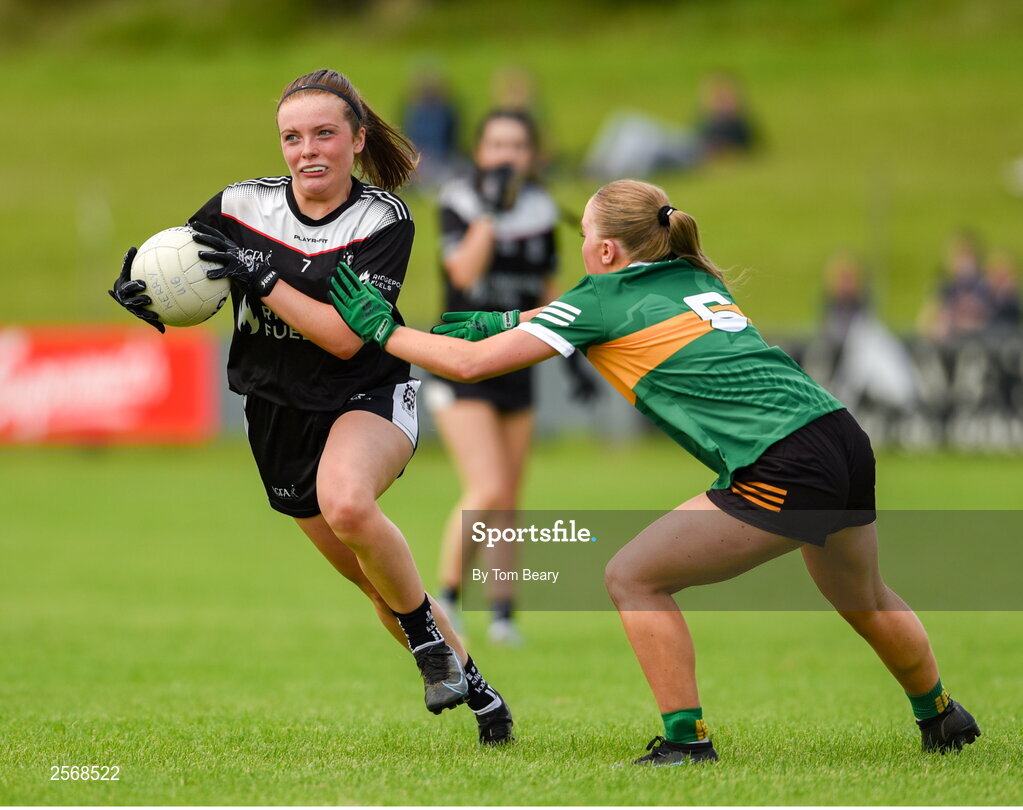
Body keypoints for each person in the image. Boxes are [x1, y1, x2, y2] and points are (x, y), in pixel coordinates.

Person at [328, 178, 980, 765]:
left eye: (585, 236)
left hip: (782, 461)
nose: (582, 247)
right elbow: (583, 320)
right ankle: (942, 715)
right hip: (838, 436)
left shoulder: (600, 296)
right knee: (861, 597)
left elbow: (470, 366)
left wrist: (383, 330)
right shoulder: (691, 277)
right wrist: (506, 320)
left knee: (632, 576)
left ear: (607, 252)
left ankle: (685, 741)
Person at [107, 68, 513, 746]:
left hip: (368, 390)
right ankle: (479, 694)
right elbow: (185, 264)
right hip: (275, 411)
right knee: (376, 584)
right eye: (292, 137)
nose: (307, 150)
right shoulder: (239, 205)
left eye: (324, 134)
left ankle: (426, 642)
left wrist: (260, 275)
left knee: (348, 503)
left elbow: (345, 335)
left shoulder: (383, 218)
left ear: (356, 140)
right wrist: (142, 288)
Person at [429, 109, 596, 645]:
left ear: (532, 156)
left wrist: (574, 356)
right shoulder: (458, 202)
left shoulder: (543, 210)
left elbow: (548, 291)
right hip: (460, 362)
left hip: (513, 364)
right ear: (480, 152)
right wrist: (492, 211)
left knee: (510, 497)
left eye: (517, 146)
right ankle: (447, 602)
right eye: (497, 144)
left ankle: (502, 613)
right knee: (486, 486)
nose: (507, 154)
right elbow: (464, 272)